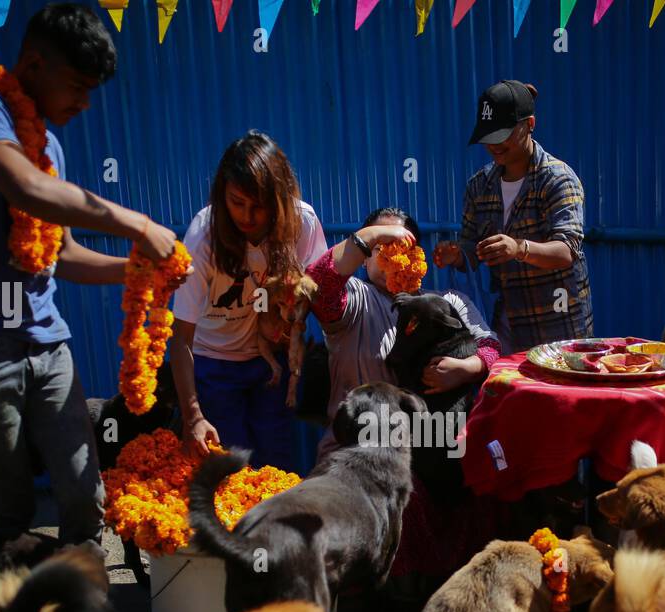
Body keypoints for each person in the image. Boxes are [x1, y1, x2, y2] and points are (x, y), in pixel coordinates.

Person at [0, 4, 186, 545]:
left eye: (92, 89)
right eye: (76, 84)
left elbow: (62, 256)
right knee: (11, 507)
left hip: (49, 344)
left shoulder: (49, 147)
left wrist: (141, 269)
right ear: (34, 63)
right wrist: (137, 225)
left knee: (84, 494)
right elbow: (27, 190)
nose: (83, 102)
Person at [171, 132, 327, 470]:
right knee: (232, 469)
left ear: (280, 199)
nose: (246, 216)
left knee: (276, 467)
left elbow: (322, 293)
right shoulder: (204, 235)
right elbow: (180, 337)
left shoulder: (303, 223)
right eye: (236, 202)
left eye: (259, 205)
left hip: (272, 363)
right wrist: (193, 416)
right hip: (214, 364)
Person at [304, 207, 501, 458]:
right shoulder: (353, 299)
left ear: (418, 256)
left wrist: (467, 369)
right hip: (359, 453)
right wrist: (372, 234)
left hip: (433, 452)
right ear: (364, 257)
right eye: (381, 247)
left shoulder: (448, 301)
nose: (392, 255)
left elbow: (490, 345)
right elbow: (318, 285)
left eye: (403, 248)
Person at [433, 80, 593, 353]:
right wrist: (457, 255)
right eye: (488, 136)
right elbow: (472, 249)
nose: (494, 144)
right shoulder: (478, 186)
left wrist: (519, 248)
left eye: (503, 134)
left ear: (530, 124)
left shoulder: (558, 180)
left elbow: (566, 251)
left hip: (558, 321)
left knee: (556, 393)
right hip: (508, 320)